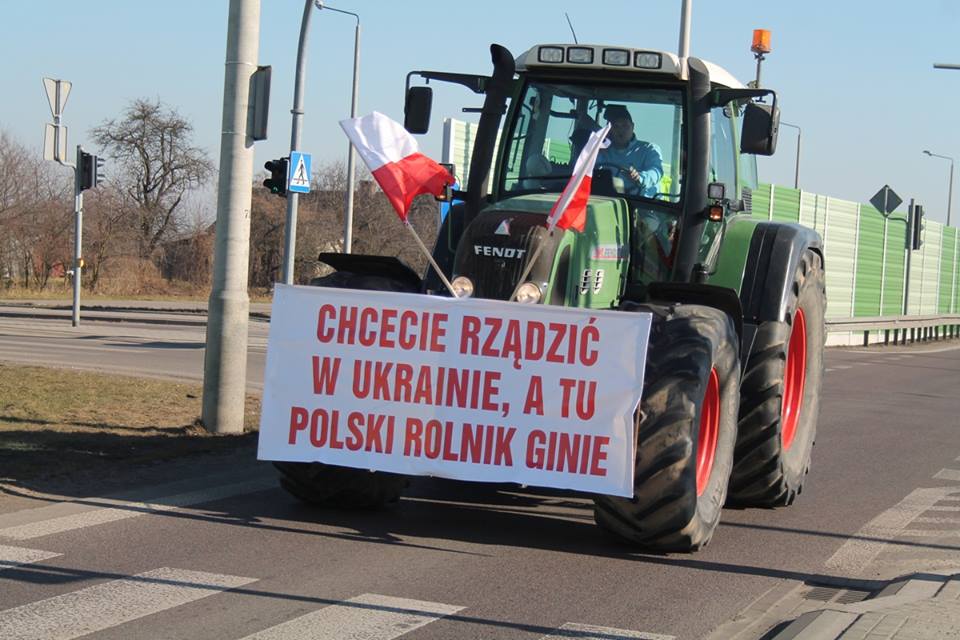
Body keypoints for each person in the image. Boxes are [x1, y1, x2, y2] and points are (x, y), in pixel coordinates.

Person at [596, 104, 664, 198]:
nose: (621, 130)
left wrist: (640, 178)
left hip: (645, 206)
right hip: (612, 202)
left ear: (632, 126)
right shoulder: (602, 152)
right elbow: (589, 171)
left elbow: (656, 171)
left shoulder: (649, 149)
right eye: (616, 126)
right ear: (609, 130)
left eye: (625, 125)